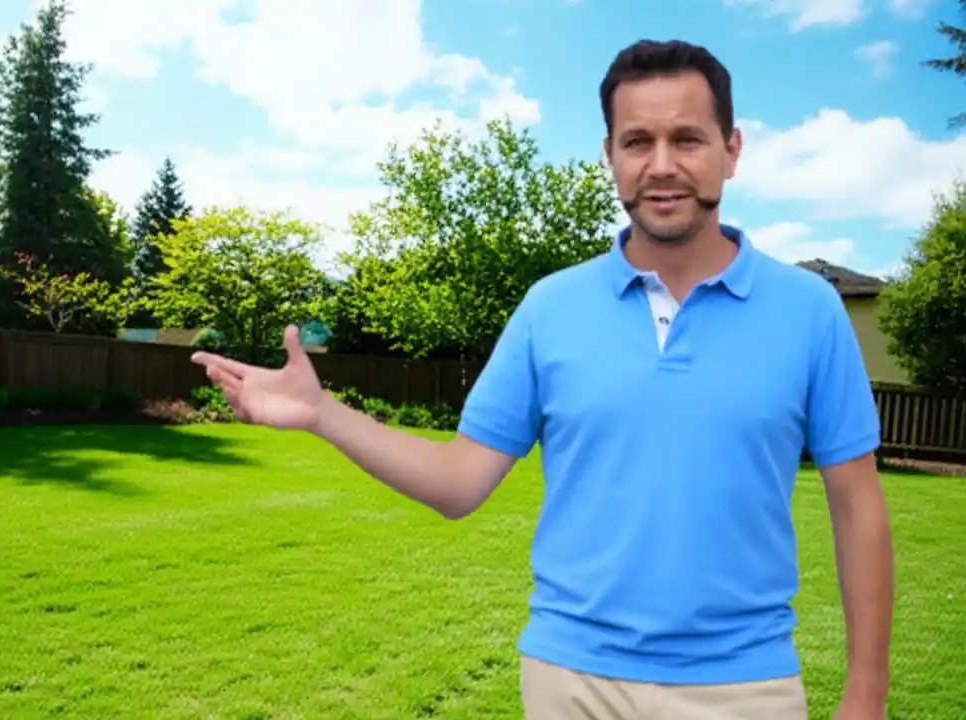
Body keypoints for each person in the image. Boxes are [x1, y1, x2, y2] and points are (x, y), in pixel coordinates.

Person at [191, 39, 894, 720]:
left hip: (744, 687)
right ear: (610, 157)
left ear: (731, 151)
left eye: (687, 139)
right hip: (570, 680)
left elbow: (858, 508)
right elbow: (459, 481)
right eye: (637, 141)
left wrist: (866, 697)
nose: (662, 165)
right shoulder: (550, 307)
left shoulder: (809, 312)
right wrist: (323, 414)